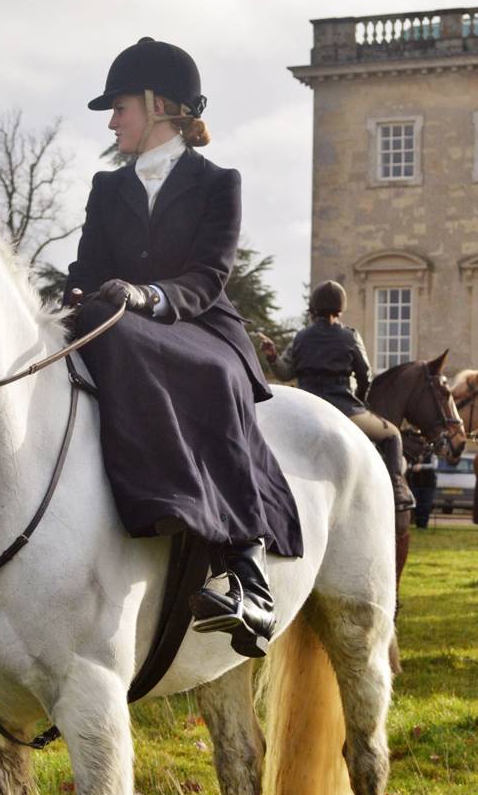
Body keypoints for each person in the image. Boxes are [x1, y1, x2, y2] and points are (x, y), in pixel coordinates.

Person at [64, 37, 303, 659]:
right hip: (116, 322)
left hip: (198, 323)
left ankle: (246, 567)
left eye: (119, 109)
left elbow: (209, 275)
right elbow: (86, 268)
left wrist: (148, 296)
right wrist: (72, 299)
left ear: (157, 105)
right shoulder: (106, 186)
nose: (111, 123)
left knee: (210, 375)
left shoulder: (218, 182)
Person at [258, 281, 415, 512]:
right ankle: (397, 489)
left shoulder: (301, 337)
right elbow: (365, 376)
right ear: (340, 308)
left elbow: (284, 373)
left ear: (313, 309)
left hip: (307, 406)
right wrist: (360, 402)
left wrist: (272, 357)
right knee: (392, 434)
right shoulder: (350, 336)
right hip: (344, 409)